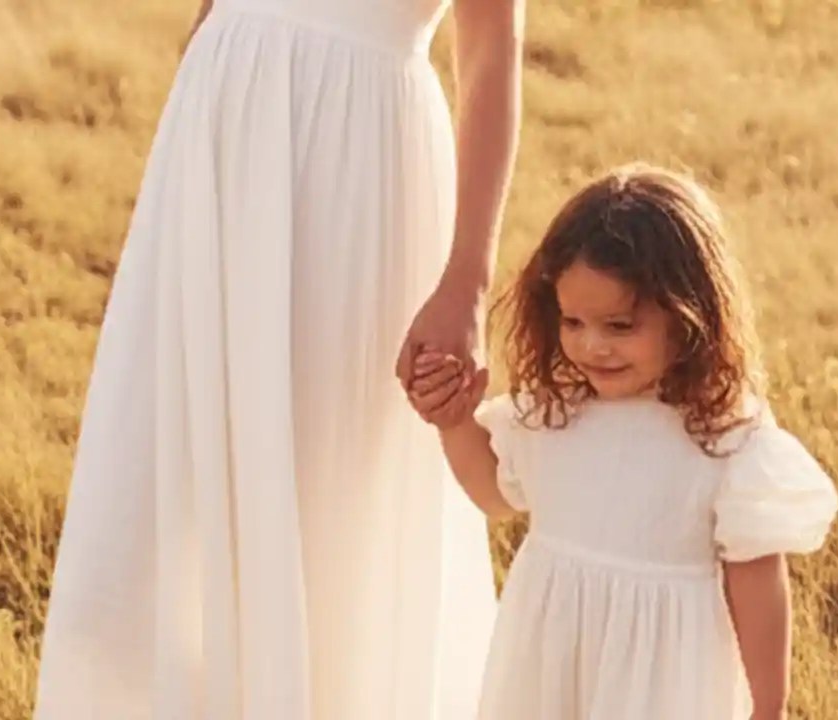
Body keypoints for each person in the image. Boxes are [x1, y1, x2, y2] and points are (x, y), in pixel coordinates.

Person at [33, 0, 526, 718]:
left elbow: (492, 49)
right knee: (160, 472)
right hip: (223, 120)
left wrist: (466, 284)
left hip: (357, 158)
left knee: (328, 497)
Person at [409, 163, 838, 719]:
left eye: (619, 326)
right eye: (573, 322)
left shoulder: (721, 436)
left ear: (688, 316)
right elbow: (493, 493)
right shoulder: (557, 411)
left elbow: (755, 574)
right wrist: (453, 419)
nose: (592, 347)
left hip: (662, 680)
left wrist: (769, 704)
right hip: (549, 663)